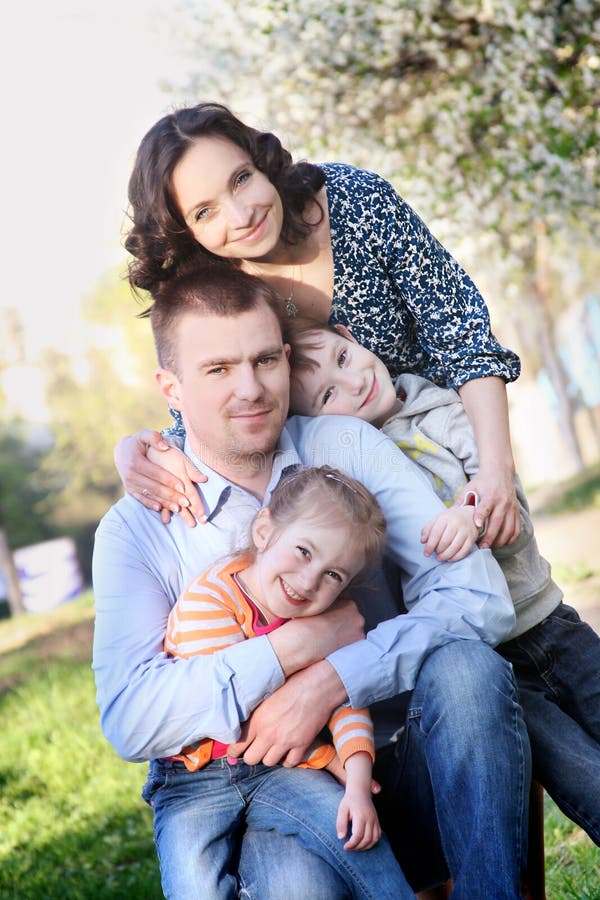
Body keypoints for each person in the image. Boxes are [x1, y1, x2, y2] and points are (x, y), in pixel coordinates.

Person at [92, 265, 531, 898]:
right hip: (281, 799)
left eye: (266, 360)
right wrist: (292, 648)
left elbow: (480, 600)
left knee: (468, 672)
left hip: (406, 770)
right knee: (293, 876)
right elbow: (131, 720)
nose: (252, 388)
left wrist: (335, 677)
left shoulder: (343, 448)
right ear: (172, 387)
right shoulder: (139, 528)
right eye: (219, 370)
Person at [116, 101, 522, 550]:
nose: (241, 215)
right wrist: (137, 450)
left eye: (241, 179)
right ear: (184, 232)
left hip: (450, 454)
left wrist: (495, 472)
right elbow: (203, 421)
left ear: (261, 162)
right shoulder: (212, 296)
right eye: (204, 212)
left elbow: (464, 337)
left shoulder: (356, 201)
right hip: (351, 525)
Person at [285, 315, 600, 847]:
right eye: (326, 396)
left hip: (550, 626)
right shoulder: (355, 473)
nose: (354, 383)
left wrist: (470, 514)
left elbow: (510, 507)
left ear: (353, 337)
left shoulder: (442, 413)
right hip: (497, 665)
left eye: (343, 359)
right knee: (584, 777)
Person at [147, 465, 417, 898]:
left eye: (333, 575)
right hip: (193, 780)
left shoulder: (324, 620)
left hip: (279, 768)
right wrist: (329, 758)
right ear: (264, 529)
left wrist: (356, 781)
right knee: (195, 886)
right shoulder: (209, 603)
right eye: (304, 551)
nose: (309, 581)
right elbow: (240, 723)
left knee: (354, 834)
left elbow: (347, 695)